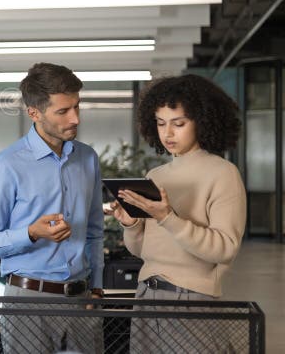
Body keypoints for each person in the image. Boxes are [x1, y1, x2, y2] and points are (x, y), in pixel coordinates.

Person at [0, 62, 104, 354]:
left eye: (77, 107)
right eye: (63, 111)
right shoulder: (7, 166)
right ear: (34, 113)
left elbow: (94, 231)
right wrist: (30, 233)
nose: (75, 118)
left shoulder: (88, 159)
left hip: (83, 302)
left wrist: (97, 286)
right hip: (27, 302)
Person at [105, 74, 246, 352]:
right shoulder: (155, 175)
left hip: (192, 300)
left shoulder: (223, 174)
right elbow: (142, 251)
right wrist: (132, 225)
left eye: (178, 124)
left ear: (202, 122)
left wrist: (168, 218)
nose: (167, 133)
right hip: (146, 296)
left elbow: (225, 249)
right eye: (160, 123)